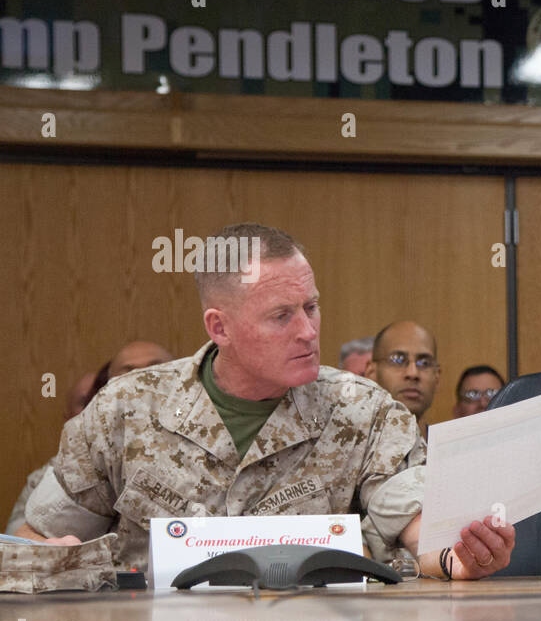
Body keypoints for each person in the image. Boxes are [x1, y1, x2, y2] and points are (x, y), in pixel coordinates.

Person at [17, 223, 513, 580]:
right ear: (220, 326)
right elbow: (36, 538)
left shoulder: (365, 412)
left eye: (312, 307)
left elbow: (425, 534)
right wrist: (53, 554)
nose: (308, 331)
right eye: (281, 316)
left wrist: (461, 557)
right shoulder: (124, 410)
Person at [7, 341, 175, 534]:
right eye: (128, 374)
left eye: (156, 369)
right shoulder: (69, 469)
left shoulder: (197, 446)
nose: (144, 382)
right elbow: (24, 542)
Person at [365, 320, 440, 430]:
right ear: (371, 373)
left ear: (437, 377)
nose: (413, 373)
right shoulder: (349, 446)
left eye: (424, 363)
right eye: (397, 360)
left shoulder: (452, 447)